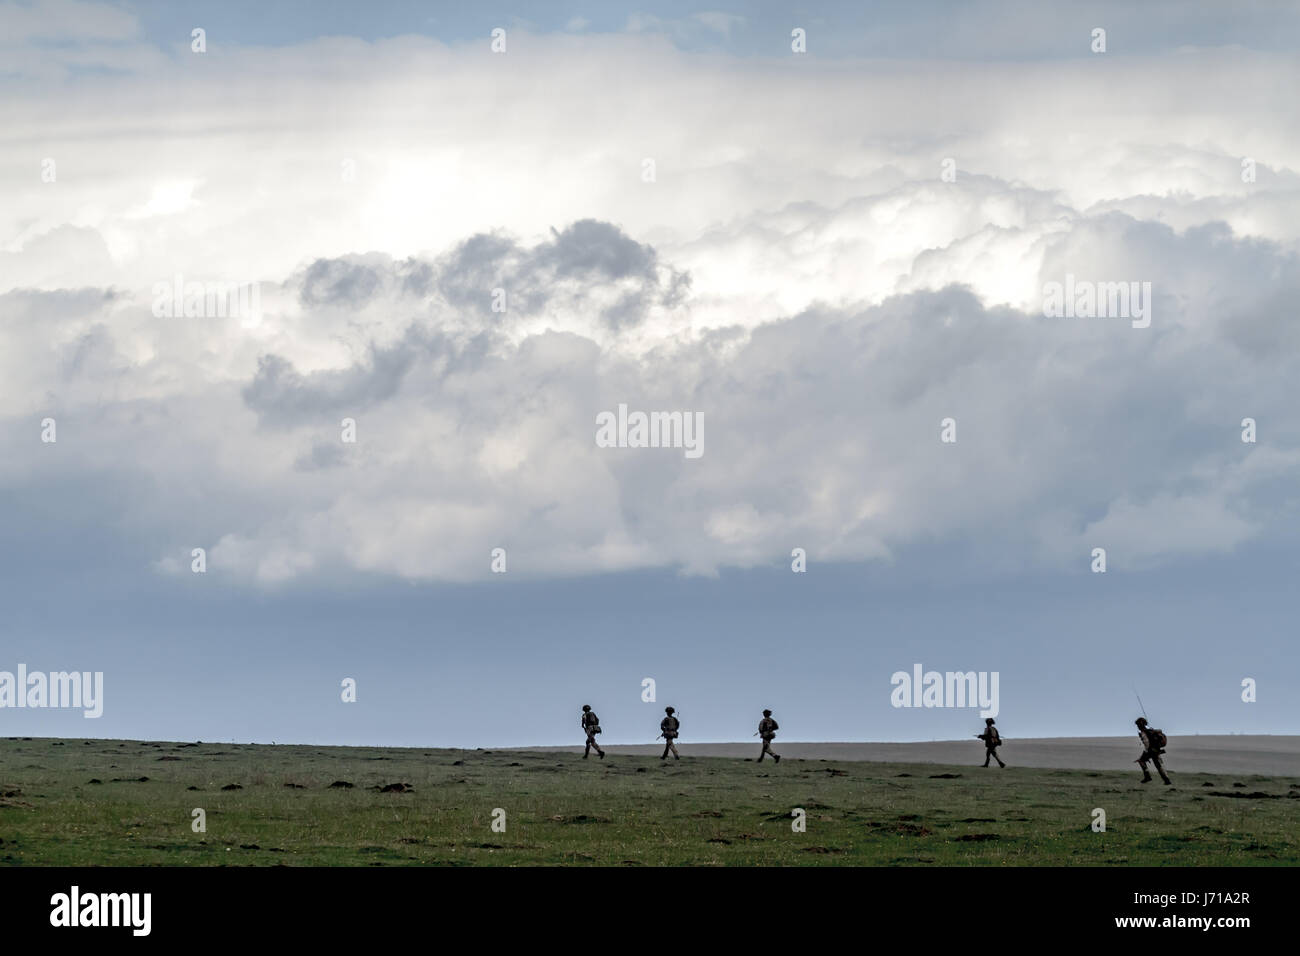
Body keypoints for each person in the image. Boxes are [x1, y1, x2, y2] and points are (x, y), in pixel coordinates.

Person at [1135, 717, 1171, 784]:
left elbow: (1147, 743)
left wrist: (1146, 752)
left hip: (1150, 751)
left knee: (1141, 761)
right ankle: (1167, 780)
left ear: (1140, 724)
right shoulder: (1151, 731)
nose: (1137, 726)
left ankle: (1147, 777)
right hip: (1155, 750)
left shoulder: (1145, 732)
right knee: (1159, 765)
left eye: (1138, 725)